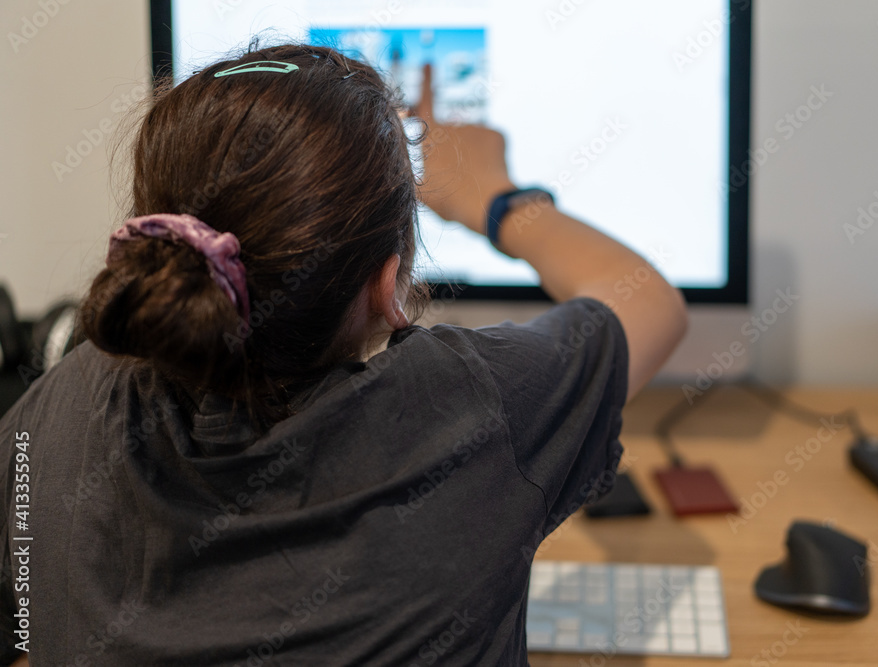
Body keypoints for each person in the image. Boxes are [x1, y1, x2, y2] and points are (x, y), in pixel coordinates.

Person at [0, 44, 686, 665]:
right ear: (390, 287)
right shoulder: (473, 406)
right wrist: (491, 198)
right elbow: (648, 302)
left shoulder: (57, 411)